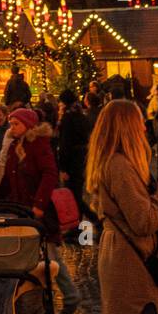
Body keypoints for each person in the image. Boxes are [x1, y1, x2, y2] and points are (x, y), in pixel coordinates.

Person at [86, 99, 158, 314]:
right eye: (139, 120)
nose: (144, 127)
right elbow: (143, 221)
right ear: (127, 126)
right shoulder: (119, 166)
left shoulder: (115, 162)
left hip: (126, 258)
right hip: (132, 266)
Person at [0, 107, 81, 314]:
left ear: (28, 125)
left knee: (50, 255)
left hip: (38, 211)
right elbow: (9, 176)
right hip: (20, 210)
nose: (11, 127)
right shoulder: (14, 144)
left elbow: (49, 174)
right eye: (11, 123)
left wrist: (39, 204)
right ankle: (33, 297)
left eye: (16, 123)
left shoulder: (39, 144)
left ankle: (70, 296)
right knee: (28, 256)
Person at [57, 89, 90, 218]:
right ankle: (80, 221)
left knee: (72, 194)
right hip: (81, 157)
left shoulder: (67, 118)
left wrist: (63, 167)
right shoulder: (81, 116)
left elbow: (65, 143)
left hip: (71, 160)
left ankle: (80, 223)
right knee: (76, 192)